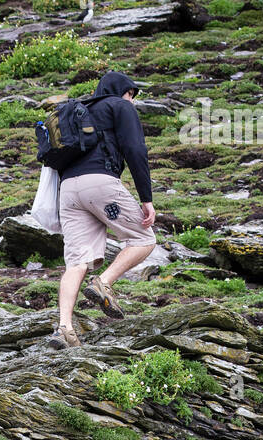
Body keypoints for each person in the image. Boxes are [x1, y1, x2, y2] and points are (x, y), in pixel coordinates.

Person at [53, 70, 156, 346]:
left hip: (68, 191)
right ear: (120, 91)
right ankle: (105, 282)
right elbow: (135, 150)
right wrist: (146, 198)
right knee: (144, 238)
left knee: (76, 263)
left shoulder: (77, 111)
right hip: (99, 183)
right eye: (131, 94)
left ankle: (64, 327)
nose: (131, 101)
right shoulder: (119, 106)